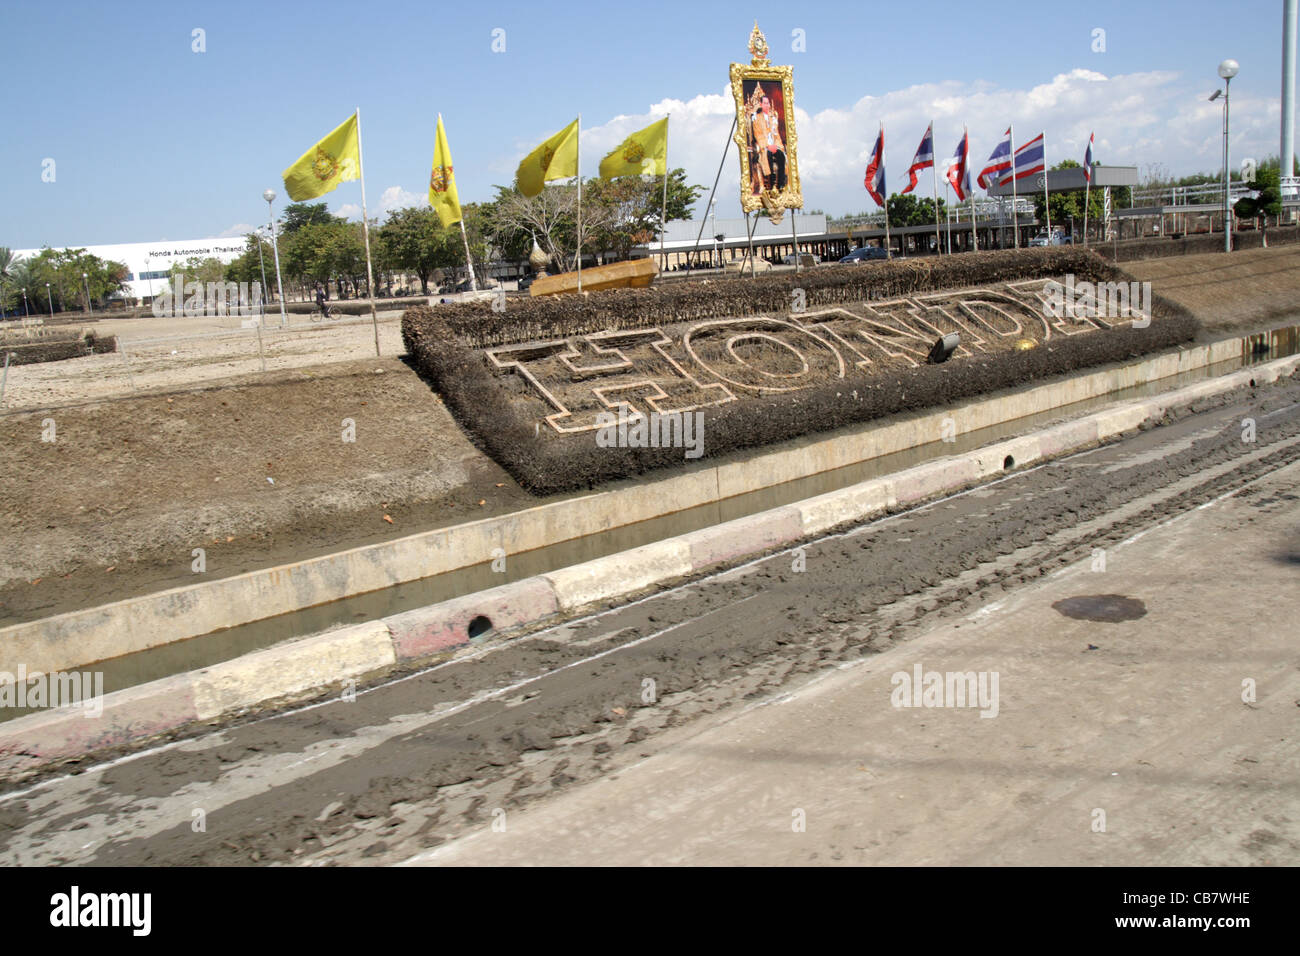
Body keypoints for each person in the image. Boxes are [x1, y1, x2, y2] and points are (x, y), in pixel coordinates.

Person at [751, 94, 787, 193]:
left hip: (775, 145)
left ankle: (780, 184)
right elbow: (757, 135)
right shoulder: (756, 118)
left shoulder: (772, 118)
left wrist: (777, 146)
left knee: (781, 156)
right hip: (765, 147)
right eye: (765, 103)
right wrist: (767, 145)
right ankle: (771, 184)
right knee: (768, 156)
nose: (767, 106)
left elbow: (777, 135)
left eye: (768, 104)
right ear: (761, 104)